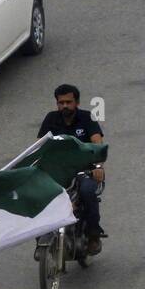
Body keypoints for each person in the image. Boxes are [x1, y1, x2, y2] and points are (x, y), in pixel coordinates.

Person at [38, 84, 106, 256]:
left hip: (84, 171)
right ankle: (41, 239)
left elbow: (97, 142)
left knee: (87, 191)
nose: (65, 106)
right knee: (41, 195)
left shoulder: (86, 118)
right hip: (58, 172)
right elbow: (39, 146)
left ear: (77, 102)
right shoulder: (51, 119)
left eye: (69, 102)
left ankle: (93, 235)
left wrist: (98, 166)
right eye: (61, 102)